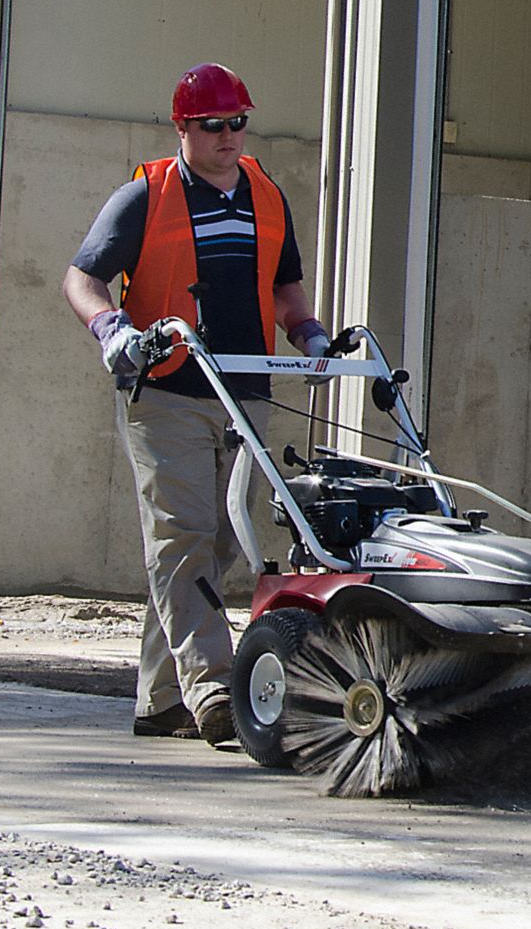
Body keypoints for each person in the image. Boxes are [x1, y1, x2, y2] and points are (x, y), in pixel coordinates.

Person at [62, 62, 332, 749]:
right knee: (181, 536)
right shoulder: (144, 196)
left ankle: (160, 700)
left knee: (215, 545)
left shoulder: (267, 194)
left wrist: (310, 333)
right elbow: (82, 278)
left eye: (238, 123)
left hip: (246, 392)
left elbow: (287, 289)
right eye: (213, 125)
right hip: (170, 391)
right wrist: (112, 329)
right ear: (183, 127)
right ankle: (214, 691)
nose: (228, 137)